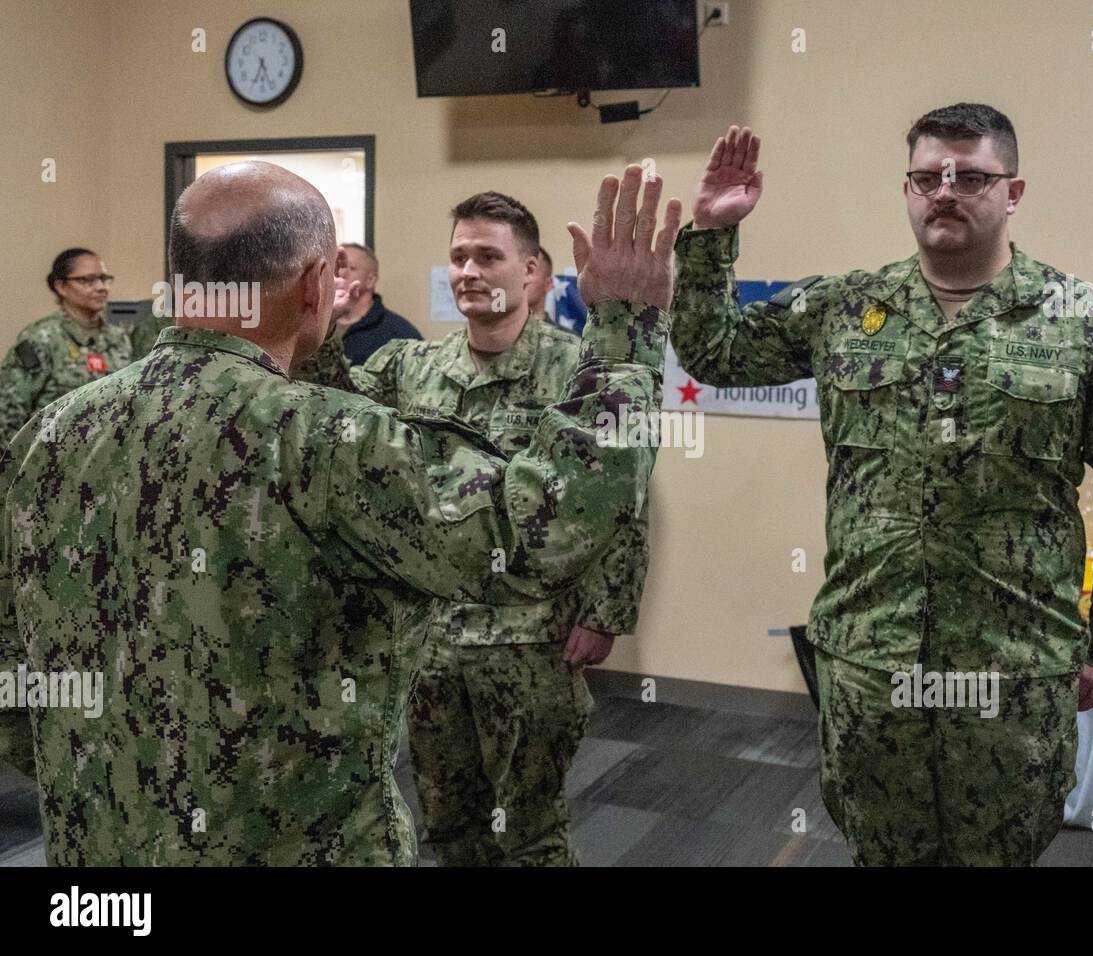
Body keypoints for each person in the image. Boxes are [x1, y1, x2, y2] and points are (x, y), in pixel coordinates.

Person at [0, 160, 679, 866]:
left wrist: (104, 782)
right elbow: (549, 527)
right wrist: (625, 330)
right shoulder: (331, 440)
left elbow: (10, 668)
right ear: (314, 282)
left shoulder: (49, 432)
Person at [671, 107, 1093, 865]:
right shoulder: (844, 308)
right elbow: (714, 351)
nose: (946, 190)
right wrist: (710, 235)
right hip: (873, 664)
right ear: (906, 189)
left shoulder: (1085, 325)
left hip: (1014, 669)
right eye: (927, 176)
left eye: (971, 176)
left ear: (1013, 191)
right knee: (882, 851)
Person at [297, 191, 651, 866]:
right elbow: (333, 425)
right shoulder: (411, 366)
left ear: (531, 272)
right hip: (431, 641)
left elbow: (624, 497)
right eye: (458, 257)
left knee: (530, 833)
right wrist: (323, 334)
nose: (469, 271)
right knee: (448, 826)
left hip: (533, 640)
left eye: (488, 256)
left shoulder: (578, 369)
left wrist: (607, 611)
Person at [0, 248, 134, 779]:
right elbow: (9, 421)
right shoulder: (40, 342)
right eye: (87, 279)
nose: (100, 287)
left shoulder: (119, 340)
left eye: (105, 276)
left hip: (110, 501)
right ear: (60, 286)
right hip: (49, 502)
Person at [332, 242, 421, 364]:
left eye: (351, 267)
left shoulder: (400, 334)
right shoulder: (317, 327)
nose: (340, 273)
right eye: (335, 266)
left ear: (370, 280)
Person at [526, 245, 555, 320]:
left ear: (548, 284)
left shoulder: (560, 332)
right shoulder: (494, 330)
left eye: (530, 270)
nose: (521, 278)